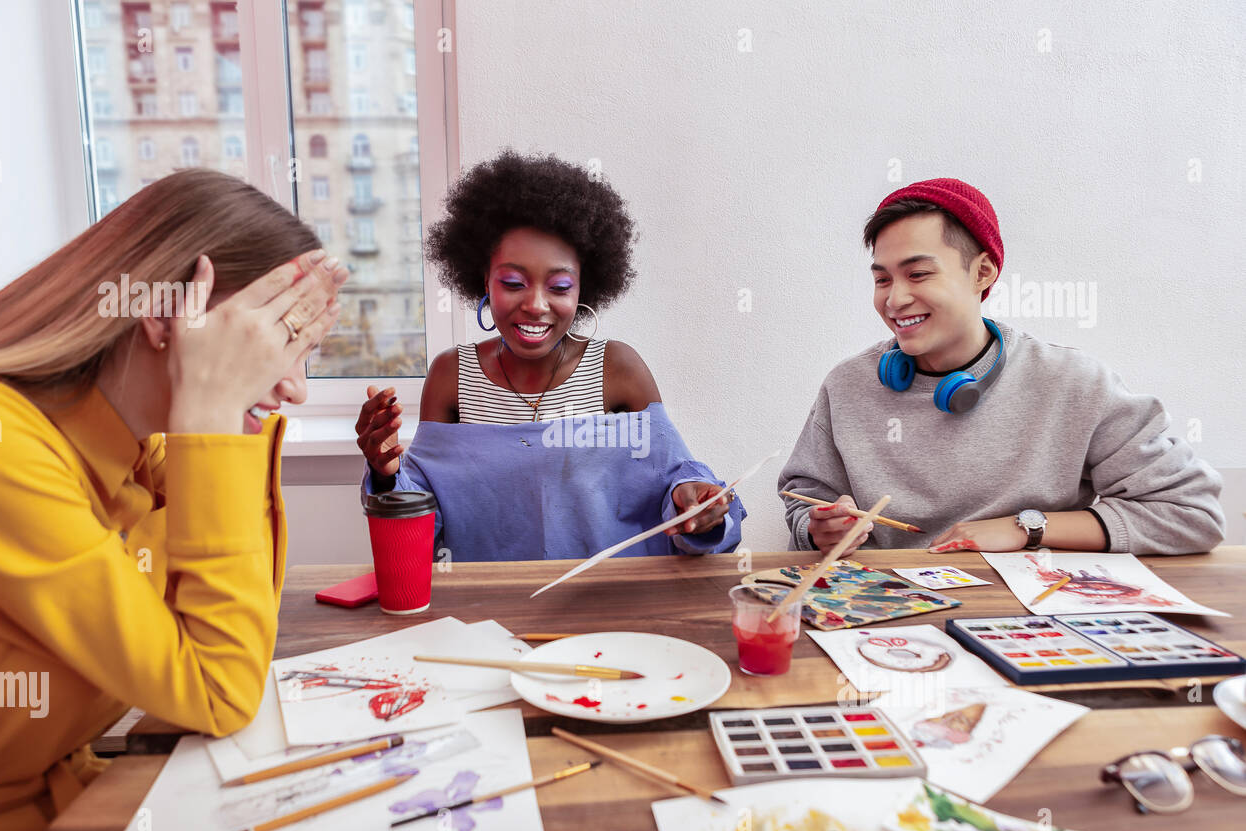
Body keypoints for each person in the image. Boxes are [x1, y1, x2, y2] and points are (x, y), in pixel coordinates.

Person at [0, 169, 348, 831]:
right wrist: (213, 421)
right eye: (277, 342)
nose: (297, 388)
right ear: (166, 318)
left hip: (71, 807)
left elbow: (242, 632)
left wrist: (219, 427)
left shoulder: (138, 449)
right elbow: (218, 689)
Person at [779, 178, 1225, 557]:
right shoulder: (846, 385)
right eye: (882, 279)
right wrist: (818, 528)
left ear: (983, 273)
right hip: (889, 616)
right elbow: (805, 502)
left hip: (1030, 617)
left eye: (917, 275)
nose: (894, 300)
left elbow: (1191, 513)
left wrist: (1026, 527)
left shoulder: (1074, 383)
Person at [354, 151, 744, 561]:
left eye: (559, 286)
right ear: (483, 278)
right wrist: (385, 473)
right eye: (512, 281)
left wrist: (693, 499)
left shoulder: (618, 370)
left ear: (583, 289)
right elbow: (421, 515)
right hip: (485, 610)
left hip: (600, 607)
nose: (536, 304)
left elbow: (673, 479)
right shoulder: (452, 375)